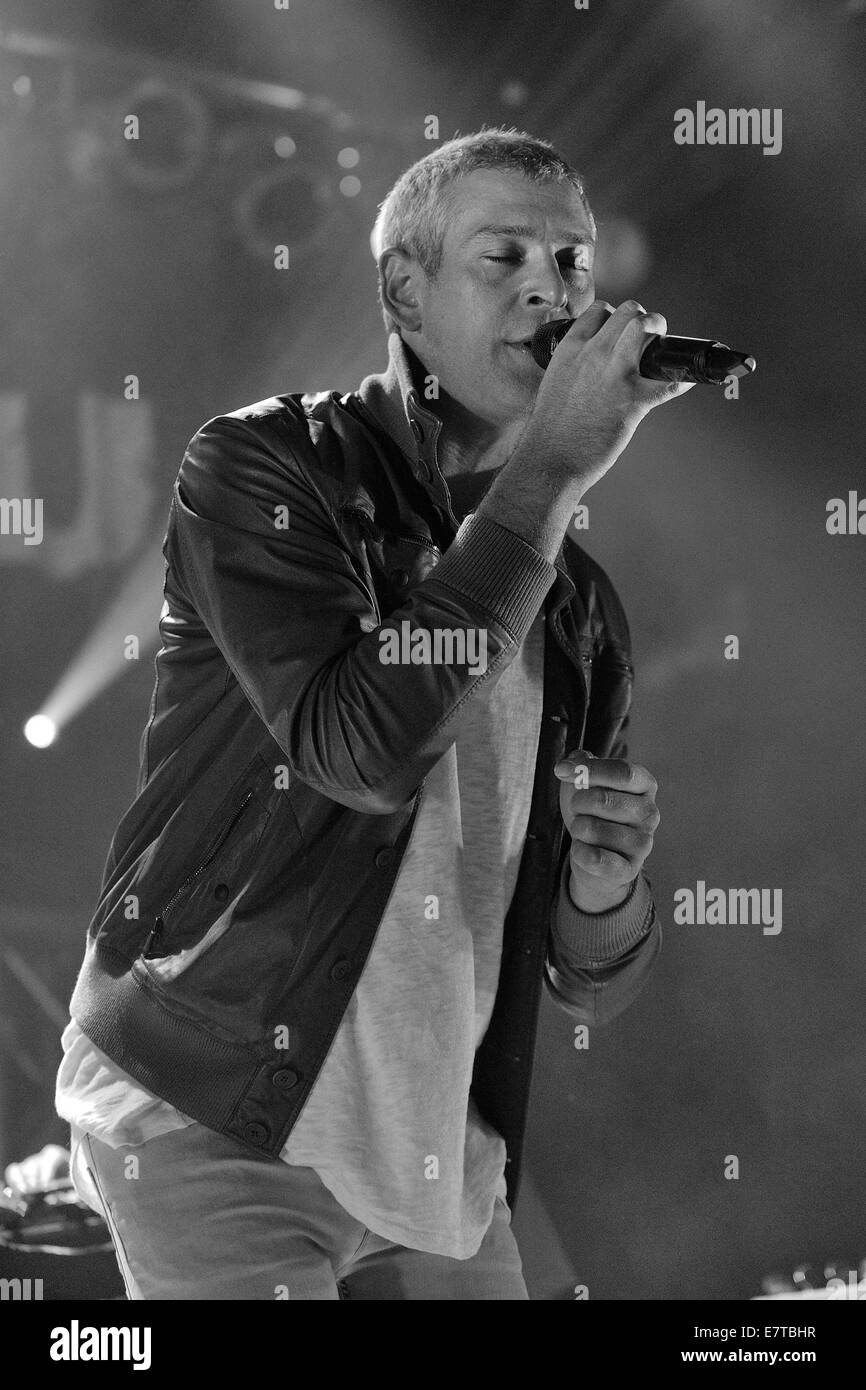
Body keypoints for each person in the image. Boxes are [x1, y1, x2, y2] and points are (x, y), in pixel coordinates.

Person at [55, 126, 691, 1300]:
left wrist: (604, 894)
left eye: (573, 264)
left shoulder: (576, 602)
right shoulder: (265, 469)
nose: (550, 290)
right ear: (404, 290)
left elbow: (583, 978)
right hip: (216, 1111)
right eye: (504, 258)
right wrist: (544, 471)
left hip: (437, 1151)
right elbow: (357, 749)